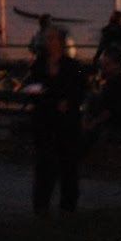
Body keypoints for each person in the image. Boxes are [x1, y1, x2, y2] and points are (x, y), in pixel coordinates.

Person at [29, 27, 89, 215]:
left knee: (67, 162)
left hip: (66, 122)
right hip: (45, 119)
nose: (48, 42)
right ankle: (41, 203)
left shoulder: (72, 67)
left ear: (60, 43)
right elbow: (34, 86)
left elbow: (80, 90)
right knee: (44, 162)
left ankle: (68, 203)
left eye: (51, 39)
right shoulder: (40, 65)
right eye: (46, 39)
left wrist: (69, 102)